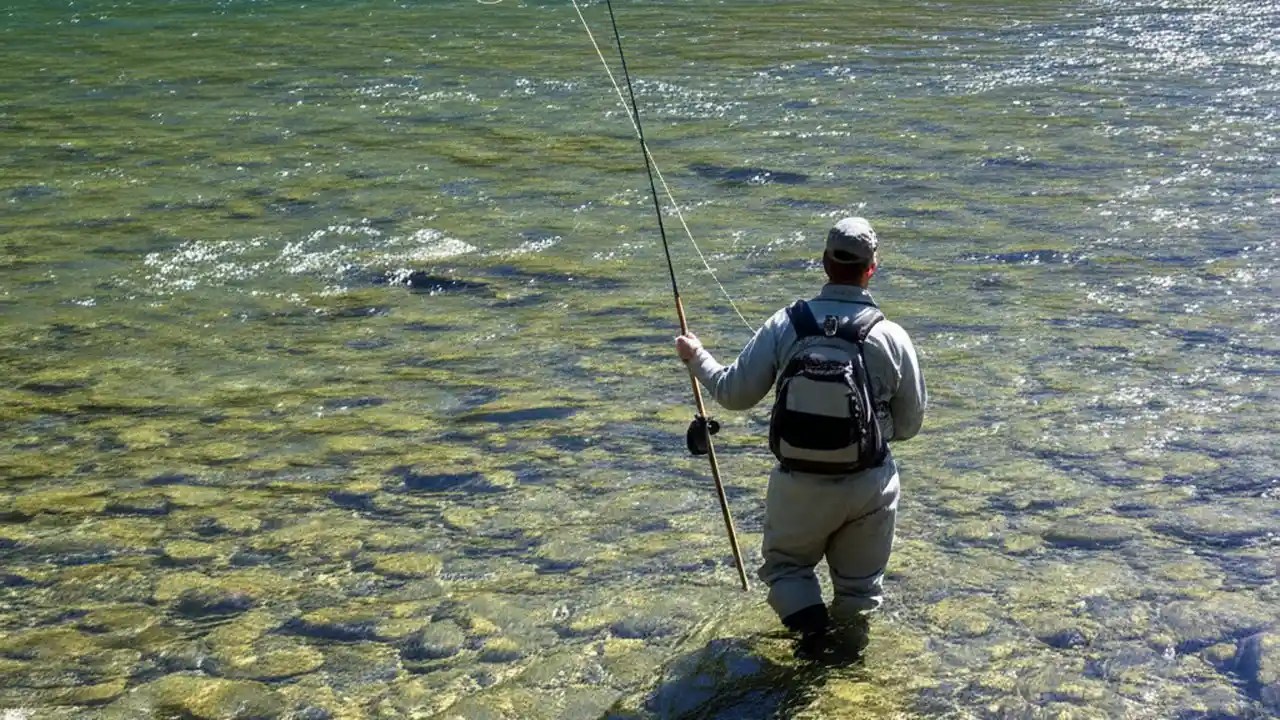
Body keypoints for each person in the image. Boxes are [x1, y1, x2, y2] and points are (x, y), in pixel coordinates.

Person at [675, 216, 927, 660]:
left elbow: (733, 394)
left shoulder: (786, 323)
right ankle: (842, 668)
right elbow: (909, 427)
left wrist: (696, 357)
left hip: (798, 485)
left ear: (824, 261)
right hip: (870, 483)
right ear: (872, 268)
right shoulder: (893, 336)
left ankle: (812, 638)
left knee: (787, 570)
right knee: (859, 589)